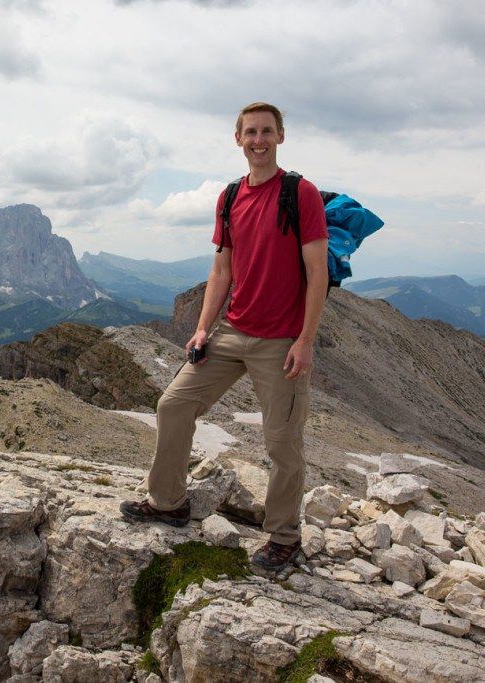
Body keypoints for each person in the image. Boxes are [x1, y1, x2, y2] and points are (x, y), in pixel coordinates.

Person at [120, 102, 329, 575]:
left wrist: (305, 340)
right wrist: (201, 328)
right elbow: (221, 270)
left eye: (267, 131)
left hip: (281, 341)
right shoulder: (231, 196)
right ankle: (169, 503)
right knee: (173, 405)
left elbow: (317, 272)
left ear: (280, 137)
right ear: (238, 139)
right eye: (250, 132)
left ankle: (284, 538)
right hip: (232, 331)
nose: (259, 140)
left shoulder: (301, 193)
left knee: (281, 443)